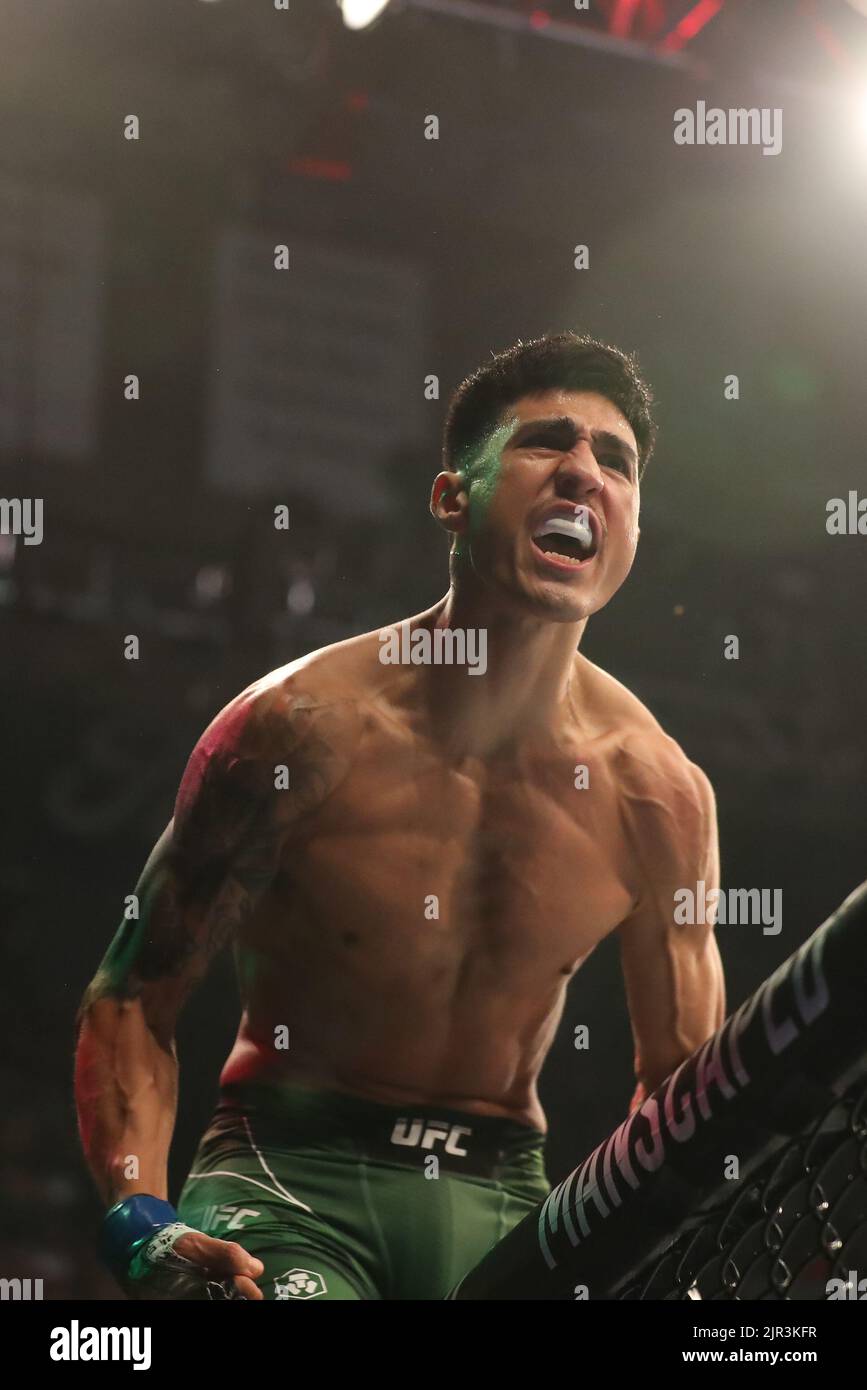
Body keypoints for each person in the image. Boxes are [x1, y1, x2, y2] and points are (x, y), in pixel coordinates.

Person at [74, 331, 725, 1301]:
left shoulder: (658, 795)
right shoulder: (295, 731)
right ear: (451, 498)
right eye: (548, 442)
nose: (585, 473)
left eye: (616, 459)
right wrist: (142, 1223)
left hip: (507, 1205)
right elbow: (133, 998)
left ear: (632, 532)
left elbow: (684, 1101)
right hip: (284, 1182)